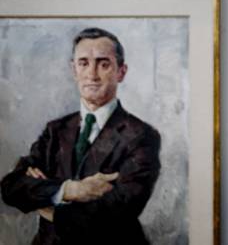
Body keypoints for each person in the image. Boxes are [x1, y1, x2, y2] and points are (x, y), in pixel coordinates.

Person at [0, 28, 162, 245]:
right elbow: (11, 187)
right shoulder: (55, 130)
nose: (92, 75)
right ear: (74, 70)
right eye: (84, 63)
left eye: (104, 64)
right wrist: (71, 190)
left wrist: (46, 203)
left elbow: (115, 214)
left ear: (121, 72)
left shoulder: (141, 136)